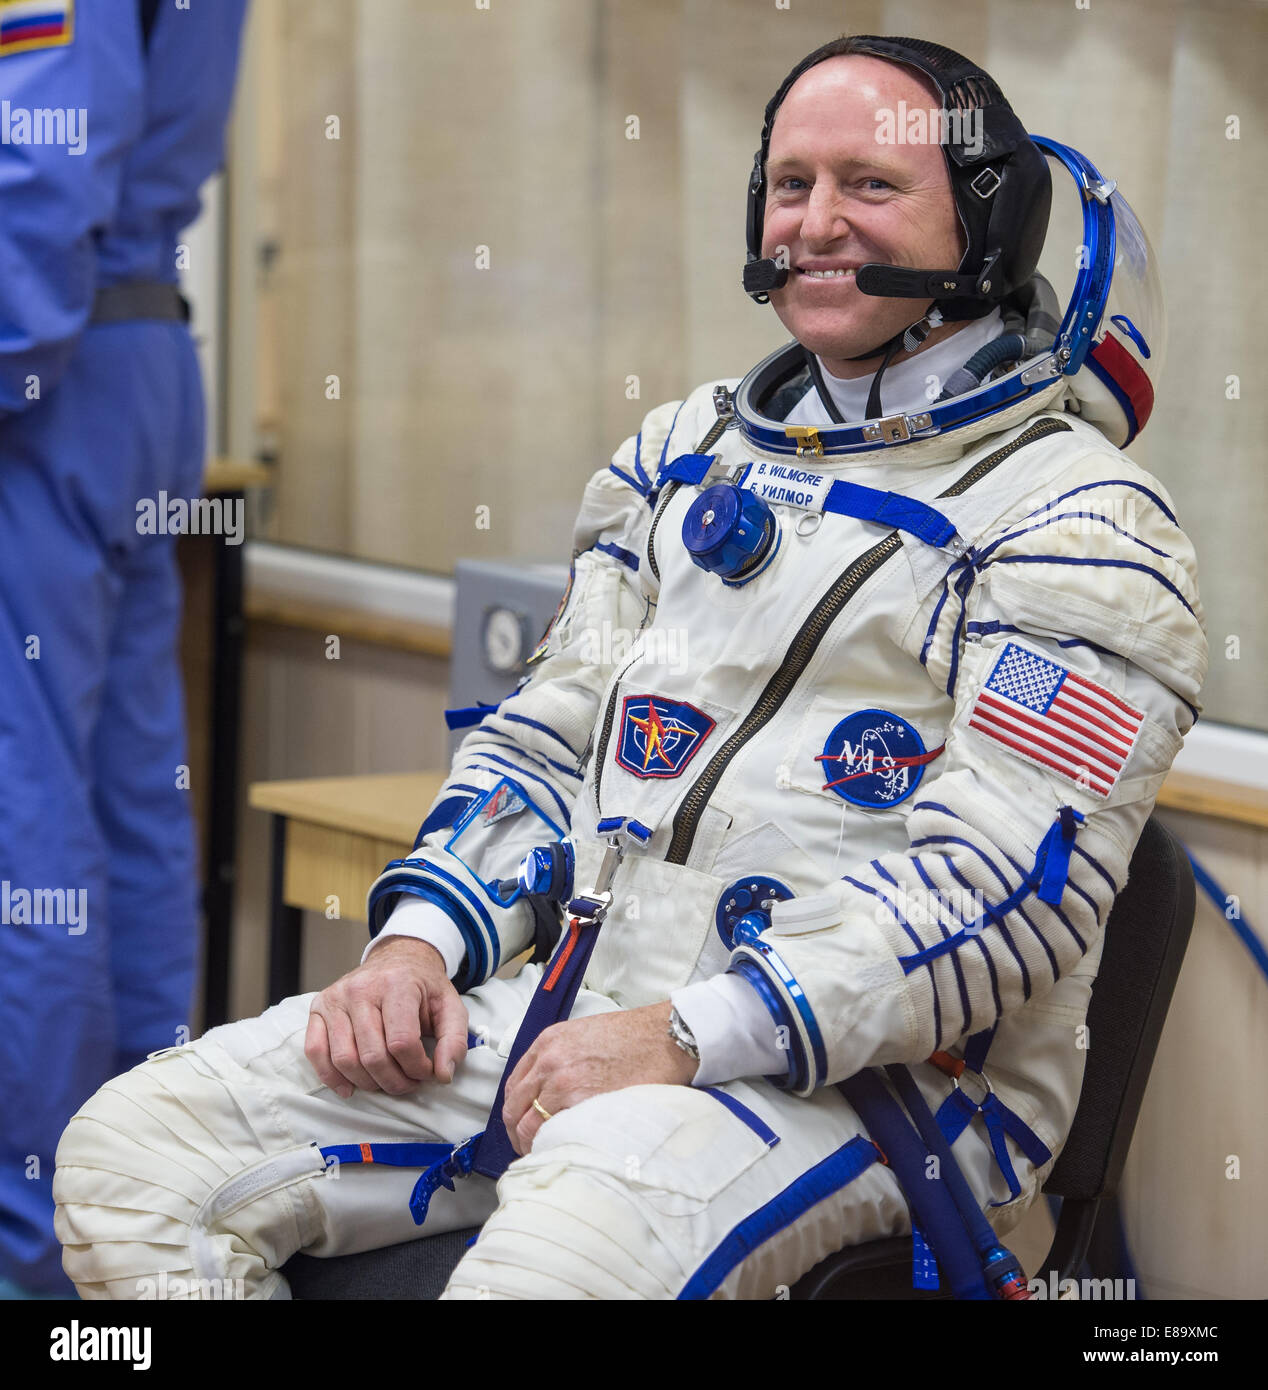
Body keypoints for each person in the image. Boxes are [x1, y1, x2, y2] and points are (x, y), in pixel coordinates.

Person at [54, 34, 1204, 1301]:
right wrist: (419, 945)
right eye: (788, 184)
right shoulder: (681, 456)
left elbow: (1003, 893)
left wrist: (685, 1033)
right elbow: (543, 742)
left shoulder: (1083, 526)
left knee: (543, 1273)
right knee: (130, 1158)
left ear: (986, 225)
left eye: (868, 186)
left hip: (864, 1088)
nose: (814, 221)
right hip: (574, 1007)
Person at [0, 0, 248, 1297]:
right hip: (135, 349)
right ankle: (136, 1220)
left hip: (42, 367)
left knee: (24, 827)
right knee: (126, 797)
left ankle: (28, 1257)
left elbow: (41, 166)